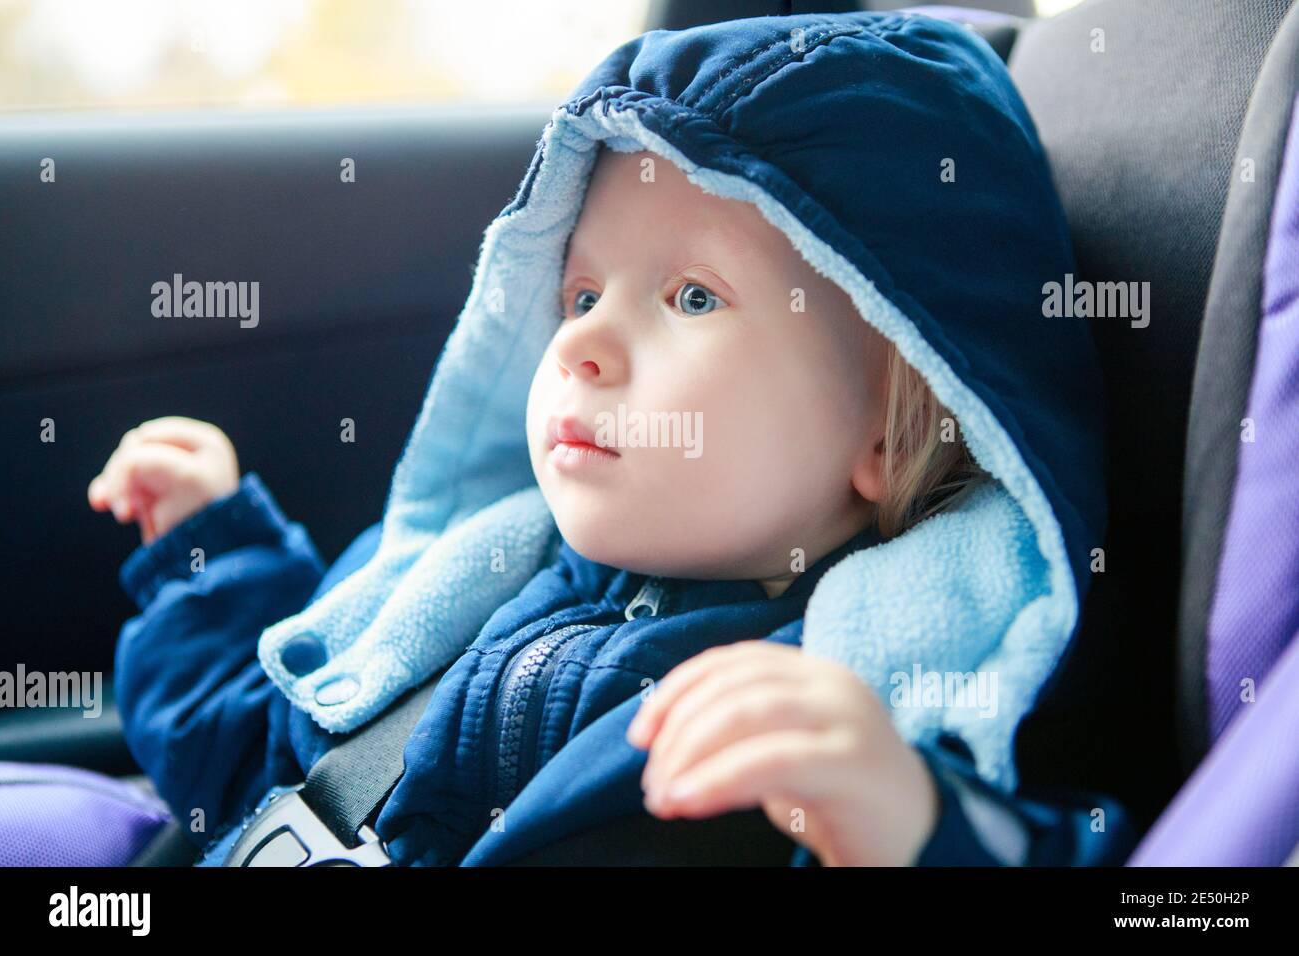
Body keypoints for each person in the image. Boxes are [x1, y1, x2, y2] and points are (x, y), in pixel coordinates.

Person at [88, 11, 1134, 866]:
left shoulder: (874, 701)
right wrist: (215, 560)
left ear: (894, 424)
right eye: (581, 290)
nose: (583, 338)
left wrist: (908, 823)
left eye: (689, 295)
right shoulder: (456, 586)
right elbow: (236, 763)